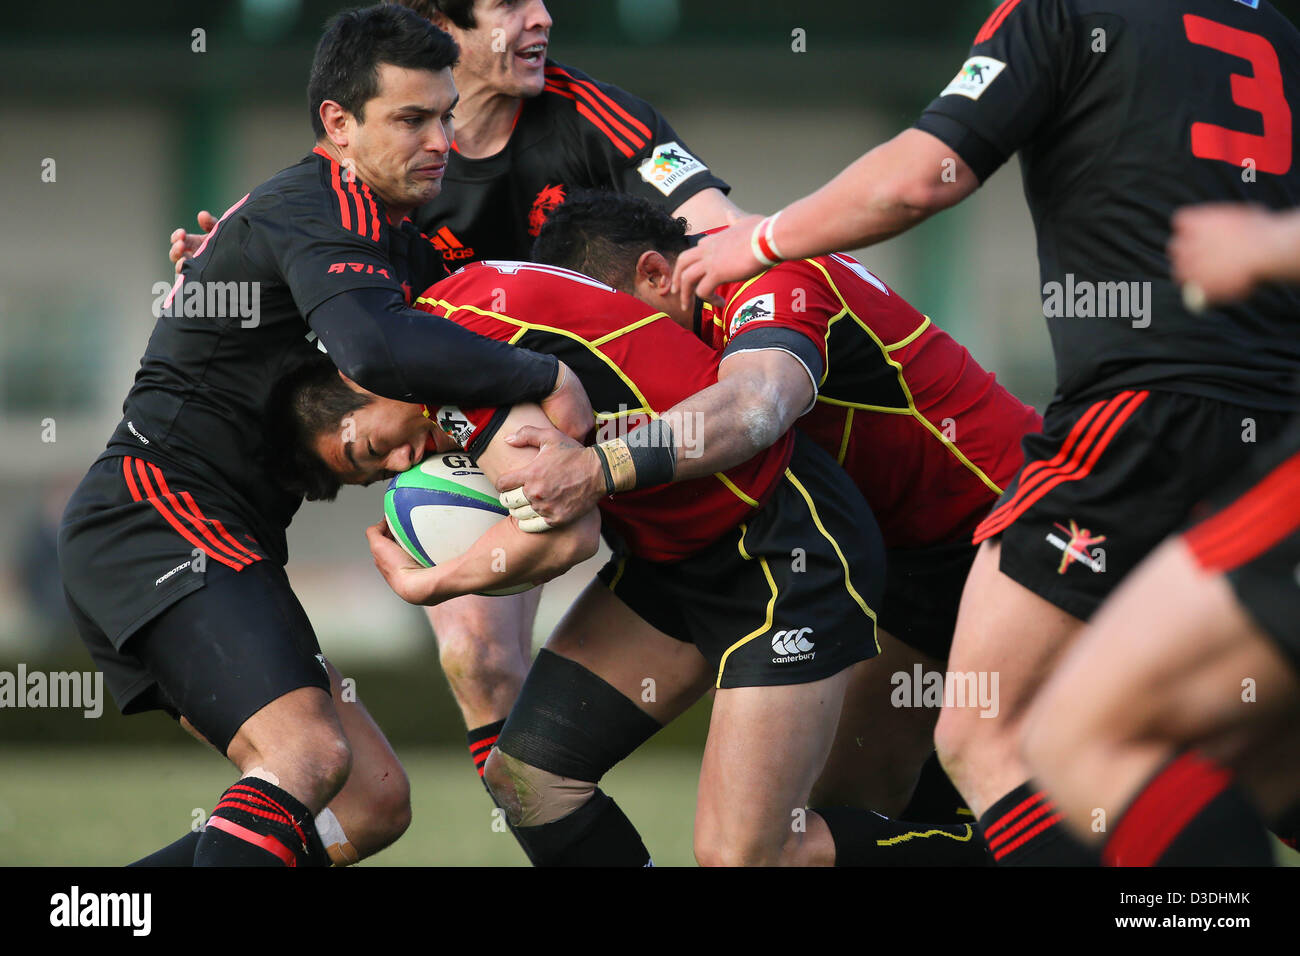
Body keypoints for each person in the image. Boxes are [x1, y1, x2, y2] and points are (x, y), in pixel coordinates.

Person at [663, 0, 1300, 864]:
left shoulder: (1062, 10)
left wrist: (763, 239)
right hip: (1277, 434)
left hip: (1143, 419)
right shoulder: (1276, 34)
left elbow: (923, 175)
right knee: (1256, 752)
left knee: (992, 733)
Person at [57, 4, 589, 868]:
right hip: (156, 512)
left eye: (446, 116)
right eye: (411, 119)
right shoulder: (319, 206)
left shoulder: (390, 239)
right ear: (338, 124)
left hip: (218, 532)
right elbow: (375, 347)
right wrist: (545, 379)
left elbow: (450, 326)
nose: (439, 140)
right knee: (307, 758)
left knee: (371, 802)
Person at [169, 0, 743, 791]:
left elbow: (723, 240)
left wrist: (775, 337)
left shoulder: (599, 118)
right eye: (509, 3)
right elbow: (262, 239)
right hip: (494, 418)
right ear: (439, 24)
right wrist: (218, 263)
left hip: (641, 410)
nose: (541, 18)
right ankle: (541, 812)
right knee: (476, 652)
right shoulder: (370, 161)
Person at [275, 259, 990, 865]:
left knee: (750, 854)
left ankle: (1001, 852)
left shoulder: (453, 356)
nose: (405, 463)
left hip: (785, 542)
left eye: (371, 450)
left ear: (357, 372)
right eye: (380, 475)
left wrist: (430, 583)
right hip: (673, 560)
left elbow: (567, 539)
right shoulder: (441, 334)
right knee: (529, 780)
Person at [505, 190, 1042, 814]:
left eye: (611, 326)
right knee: (842, 813)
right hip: (894, 555)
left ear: (657, 273)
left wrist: (595, 469)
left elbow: (757, 402)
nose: (607, 352)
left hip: (1004, 525)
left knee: (1044, 768)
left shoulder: (769, 274)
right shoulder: (672, 327)